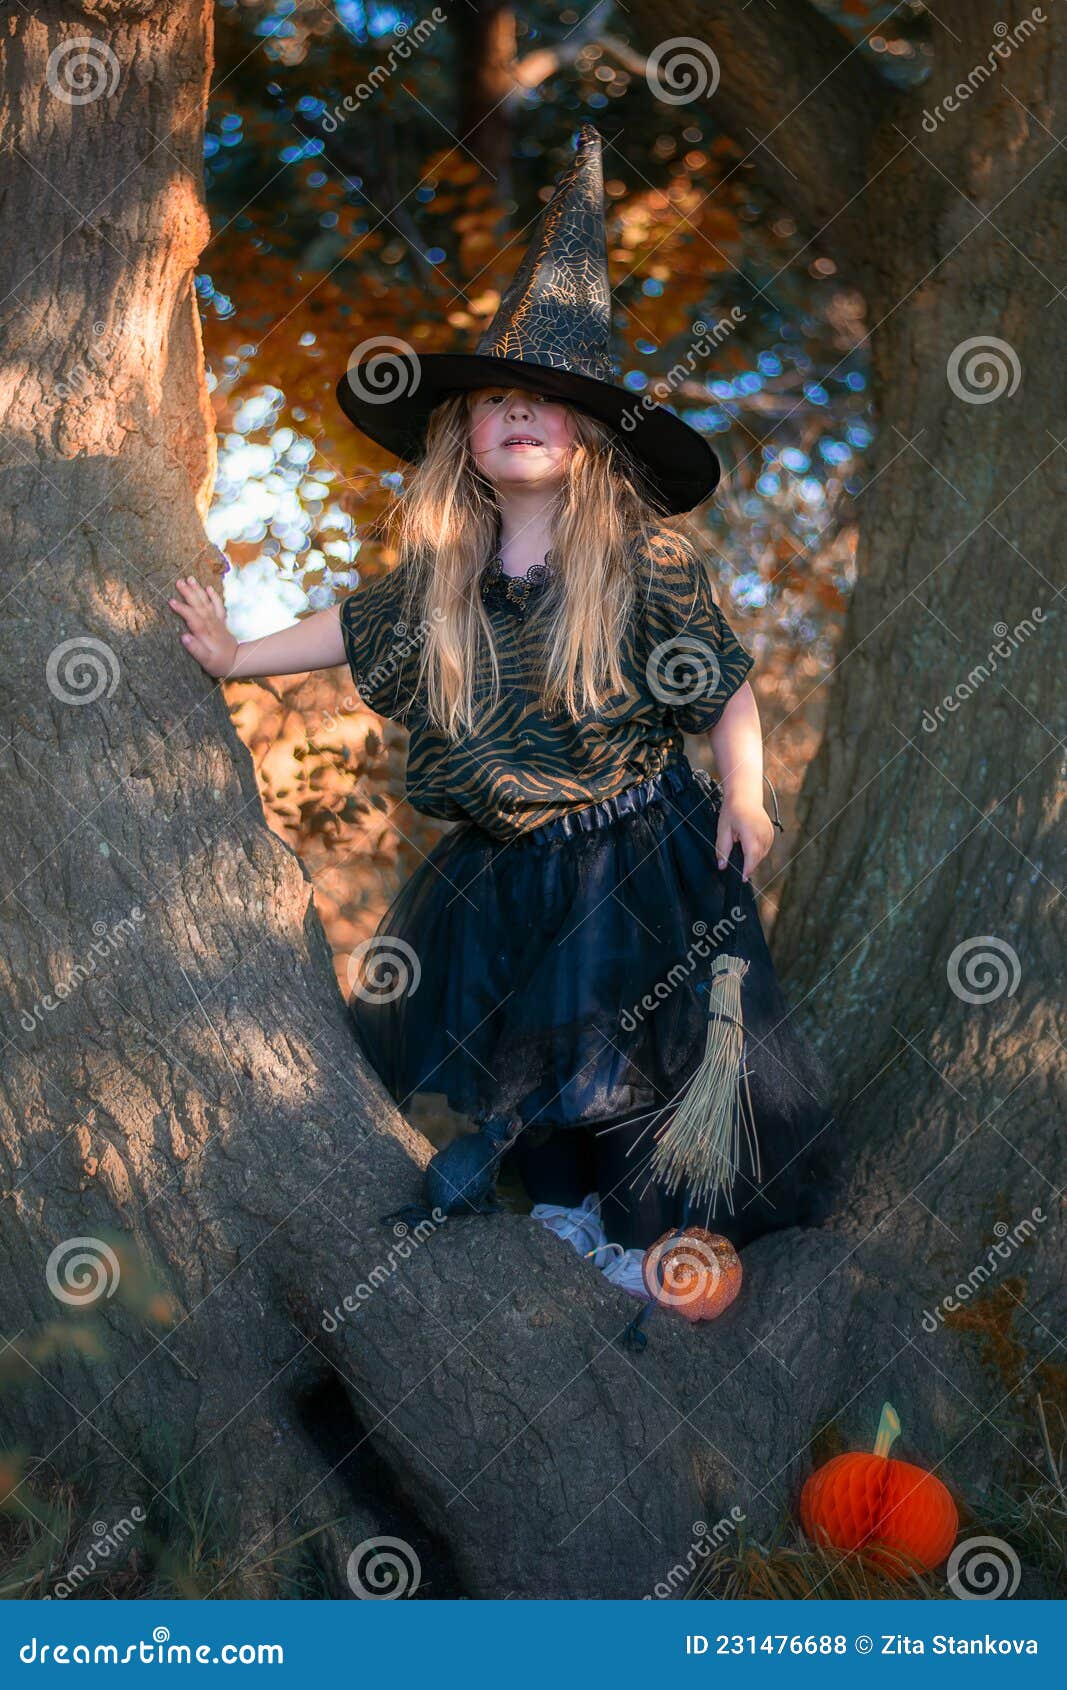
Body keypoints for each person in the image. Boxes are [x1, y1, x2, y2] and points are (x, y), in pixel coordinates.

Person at [170, 124, 833, 1293]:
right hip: (498, 868)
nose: (518, 414)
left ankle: (639, 1233)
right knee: (520, 1047)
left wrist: (745, 795)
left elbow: (723, 688)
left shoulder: (640, 564)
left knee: (623, 1047)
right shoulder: (440, 578)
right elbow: (343, 630)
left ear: (590, 439)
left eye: (546, 402)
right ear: (462, 439)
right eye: (495, 402)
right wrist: (232, 657)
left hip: (630, 853)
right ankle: (563, 1216)